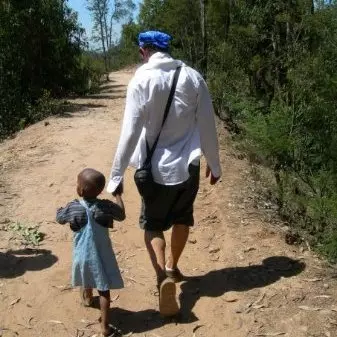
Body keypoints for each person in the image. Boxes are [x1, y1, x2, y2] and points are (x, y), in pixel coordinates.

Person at [107, 30, 221, 317]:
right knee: (183, 217)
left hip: (154, 170)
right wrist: (215, 164)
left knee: (153, 224)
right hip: (189, 166)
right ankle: (173, 265)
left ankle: (162, 276)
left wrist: (116, 175)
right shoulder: (194, 77)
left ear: (144, 51)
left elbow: (130, 133)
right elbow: (207, 125)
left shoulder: (141, 80)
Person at [56, 168, 125, 337]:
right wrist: (118, 195)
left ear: (80, 190)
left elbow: (59, 218)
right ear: (100, 191)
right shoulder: (105, 206)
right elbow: (121, 215)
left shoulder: (73, 207)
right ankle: (105, 328)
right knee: (104, 290)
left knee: (86, 276)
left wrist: (59, 209)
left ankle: (87, 298)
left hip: (82, 255)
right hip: (103, 255)